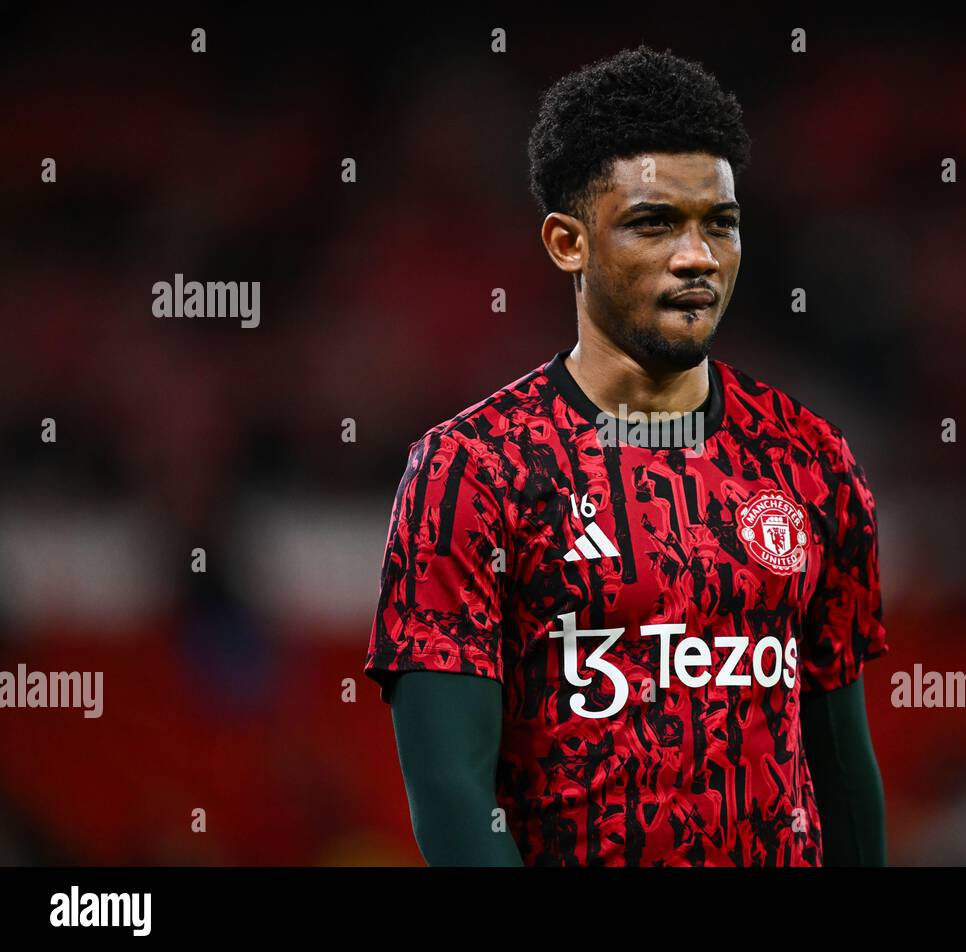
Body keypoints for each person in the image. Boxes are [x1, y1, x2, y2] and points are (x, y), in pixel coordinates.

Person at [364, 45, 889, 866]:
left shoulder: (809, 459)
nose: (698, 258)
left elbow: (844, 769)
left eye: (721, 223)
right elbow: (453, 797)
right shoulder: (473, 471)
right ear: (568, 242)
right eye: (655, 223)